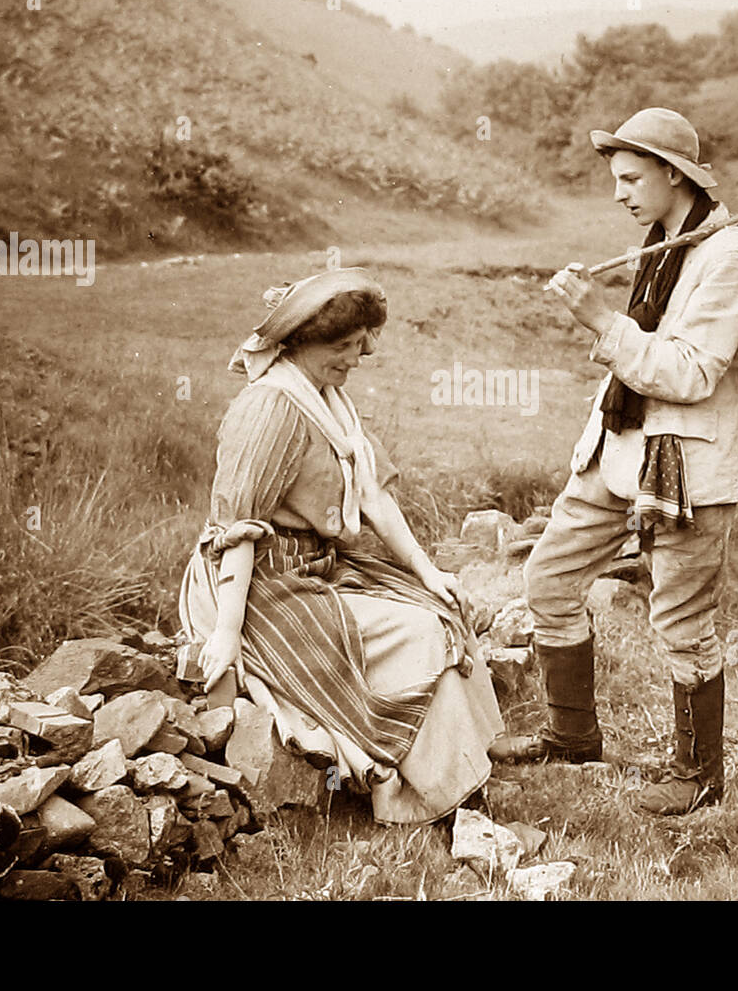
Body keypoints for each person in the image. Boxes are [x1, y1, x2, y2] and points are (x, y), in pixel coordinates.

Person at [490, 108, 738, 816]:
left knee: (681, 618)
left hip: (684, 466)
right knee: (547, 579)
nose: (619, 193)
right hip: (619, 449)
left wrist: (598, 319)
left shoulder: (729, 254)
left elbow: (693, 373)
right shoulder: (664, 241)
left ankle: (698, 772)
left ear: (675, 174)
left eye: (631, 178)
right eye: (616, 180)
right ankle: (572, 733)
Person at [178, 268, 503, 825]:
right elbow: (238, 528)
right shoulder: (272, 409)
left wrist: (428, 572)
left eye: (360, 345)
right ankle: (427, 798)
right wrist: (226, 635)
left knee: (441, 609)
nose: (357, 357)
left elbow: (373, 496)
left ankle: (466, 772)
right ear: (304, 343)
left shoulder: (329, 400)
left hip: (317, 569)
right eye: (344, 346)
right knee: (421, 634)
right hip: (259, 585)